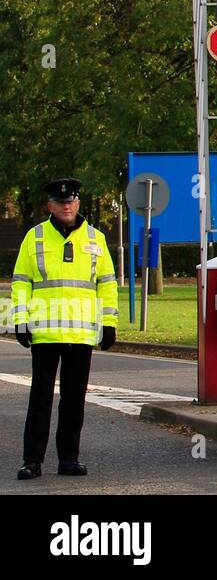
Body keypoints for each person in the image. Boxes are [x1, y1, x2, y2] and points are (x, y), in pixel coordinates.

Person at [11, 178, 118, 480]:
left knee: (74, 400)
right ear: (50, 206)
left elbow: (107, 284)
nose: (66, 205)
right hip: (45, 333)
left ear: (78, 204)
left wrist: (109, 323)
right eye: (60, 202)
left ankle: (69, 459)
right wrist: (19, 320)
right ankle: (32, 461)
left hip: (81, 334)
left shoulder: (96, 239)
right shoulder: (35, 237)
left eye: (71, 201)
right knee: (40, 400)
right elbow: (21, 281)